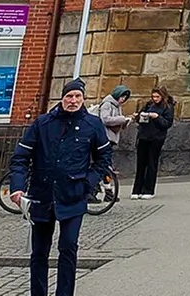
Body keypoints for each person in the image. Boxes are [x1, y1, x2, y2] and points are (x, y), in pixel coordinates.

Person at [8, 79, 113, 296]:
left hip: (73, 196)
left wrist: (89, 182)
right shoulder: (43, 123)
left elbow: (103, 158)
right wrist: (17, 187)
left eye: (77, 97)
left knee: (68, 248)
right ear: (62, 98)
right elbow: (20, 157)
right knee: (39, 252)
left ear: (83, 99)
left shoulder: (92, 125)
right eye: (69, 96)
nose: (73, 101)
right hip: (42, 195)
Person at [132, 87, 175, 199]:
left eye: (157, 97)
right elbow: (141, 116)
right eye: (153, 96)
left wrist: (157, 117)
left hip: (156, 138)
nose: (155, 99)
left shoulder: (168, 107)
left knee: (151, 163)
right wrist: (137, 117)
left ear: (162, 96)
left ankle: (149, 190)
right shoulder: (149, 104)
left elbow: (167, 123)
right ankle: (137, 190)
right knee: (141, 164)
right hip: (144, 136)